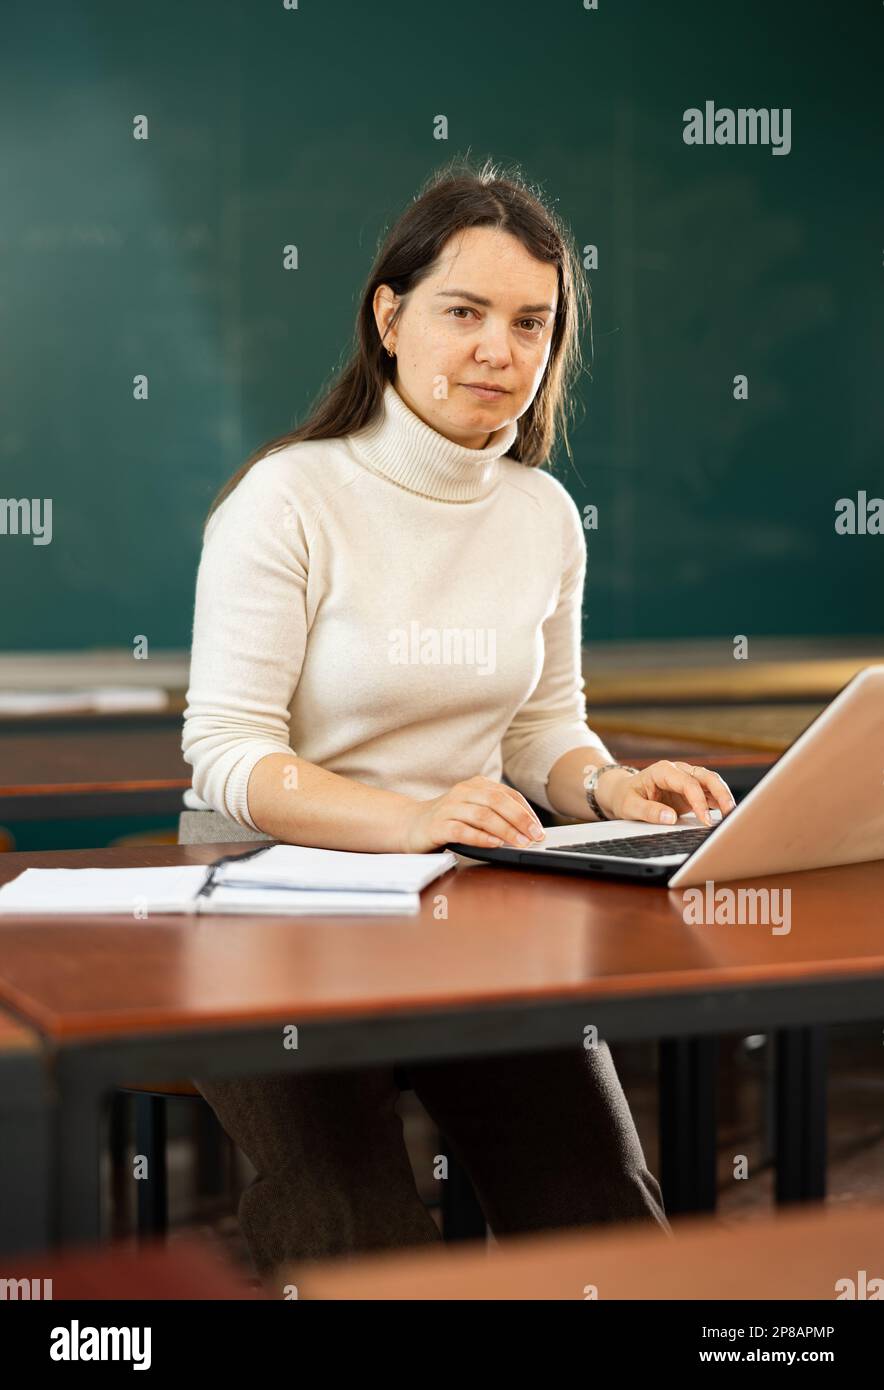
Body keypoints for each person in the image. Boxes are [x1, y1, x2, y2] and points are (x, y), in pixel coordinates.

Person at [183, 155, 735, 1286]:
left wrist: (607, 788)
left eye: (531, 323)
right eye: (464, 312)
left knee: (600, 1213)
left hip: (464, 908)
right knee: (352, 1229)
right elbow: (228, 753)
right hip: (264, 914)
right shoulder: (287, 499)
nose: (500, 349)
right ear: (388, 316)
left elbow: (542, 729)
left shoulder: (540, 514)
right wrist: (409, 818)